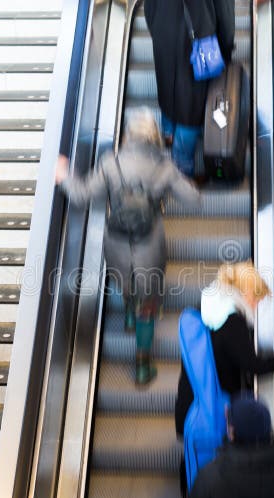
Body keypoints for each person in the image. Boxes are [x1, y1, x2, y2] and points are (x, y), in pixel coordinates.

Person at [55, 109, 201, 385]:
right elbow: (194, 200)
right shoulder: (165, 167)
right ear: (155, 136)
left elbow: (82, 195)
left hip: (117, 243)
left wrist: (64, 176)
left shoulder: (111, 163)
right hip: (150, 245)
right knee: (149, 304)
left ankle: (131, 312)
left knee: (126, 283)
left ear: (128, 135)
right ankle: (143, 364)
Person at [175, 261, 274, 436]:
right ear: (247, 294)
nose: (256, 307)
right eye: (257, 300)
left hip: (193, 404)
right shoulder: (232, 321)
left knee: (195, 459)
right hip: (212, 412)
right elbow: (253, 366)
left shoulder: (209, 308)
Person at [144, 0, 235, 177]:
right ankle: (181, 171)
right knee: (190, 108)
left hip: (164, 37)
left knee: (167, 88)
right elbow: (225, 14)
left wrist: (158, 30)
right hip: (199, 43)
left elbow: (149, 8)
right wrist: (225, 49)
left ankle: (167, 133)